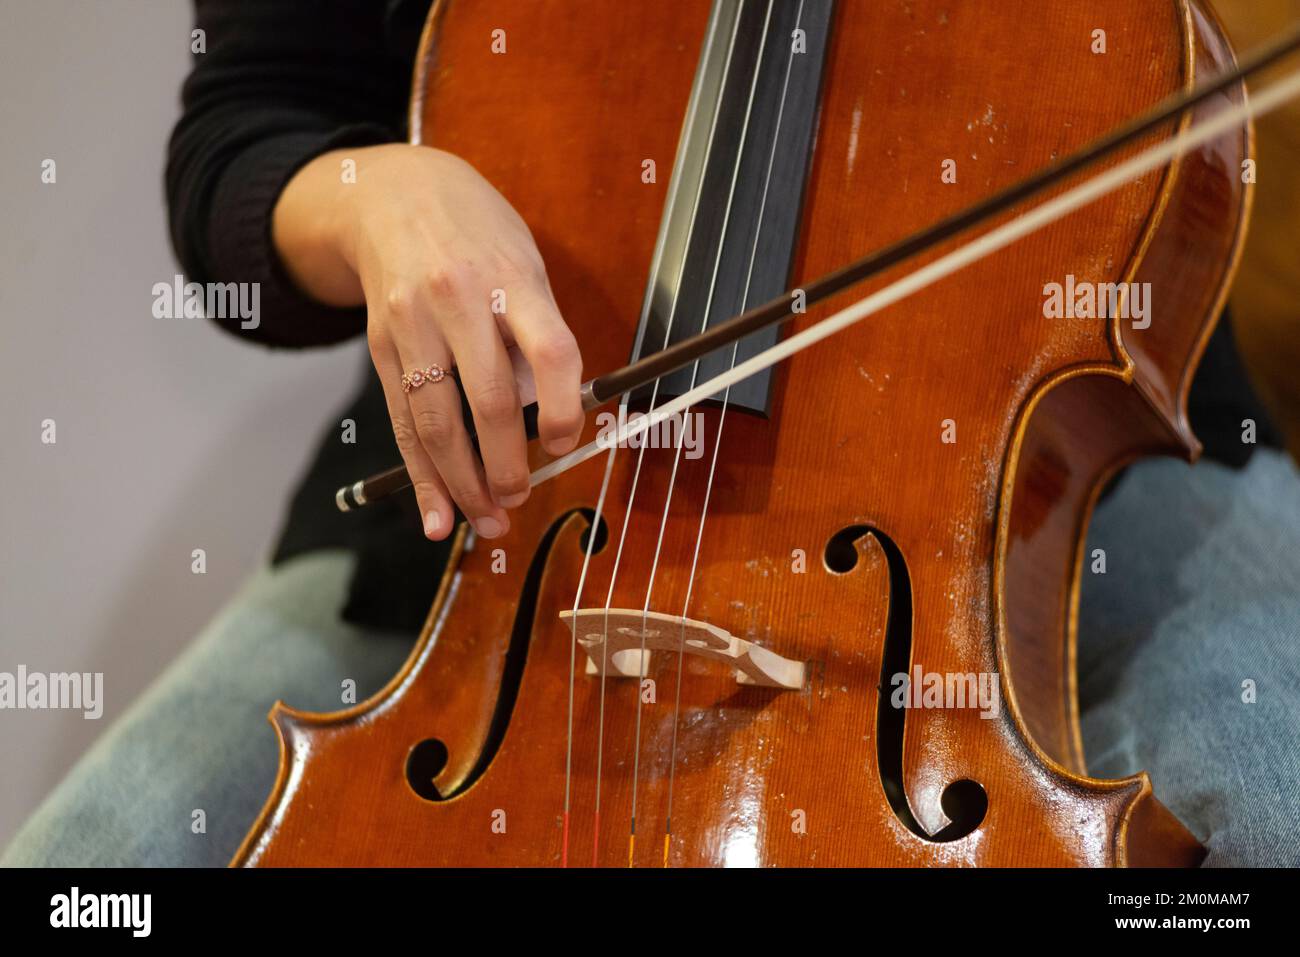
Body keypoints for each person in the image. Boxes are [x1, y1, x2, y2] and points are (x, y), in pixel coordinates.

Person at [4, 0, 1299, 867]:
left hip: (1059, 472)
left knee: (1271, 805)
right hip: (510, 510)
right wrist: (374, 195)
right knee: (87, 863)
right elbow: (242, 127)